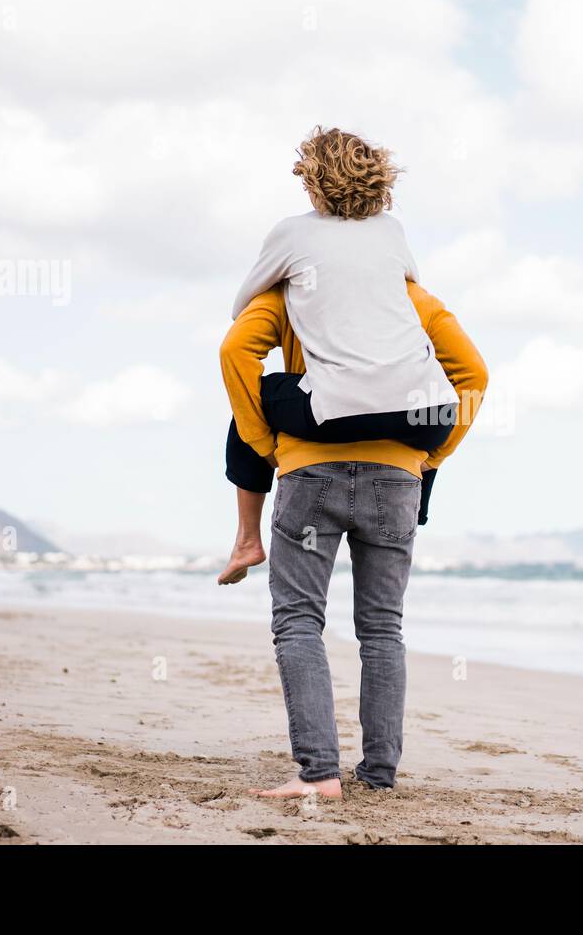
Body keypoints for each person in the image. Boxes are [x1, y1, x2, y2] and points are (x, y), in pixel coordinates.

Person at [219, 281, 486, 796]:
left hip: (309, 470)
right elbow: (473, 375)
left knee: (299, 622)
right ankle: (379, 775)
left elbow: (235, 350)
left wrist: (263, 442)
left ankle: (319, 773)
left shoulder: (296, 289)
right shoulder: (411, 297)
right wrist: (432, 457)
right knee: (383, 628)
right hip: (397, 476)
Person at [219, 126, 458, 585]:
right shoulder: (393, 230)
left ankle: (247, 539)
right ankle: (411, 515)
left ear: (312, 179)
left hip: (341, 411)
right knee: (385, 625)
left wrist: (264, 444)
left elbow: (239, 322)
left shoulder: (291, 232)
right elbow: (406, 290)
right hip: (431, 412)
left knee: (257, 393)